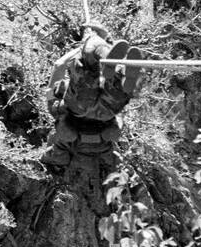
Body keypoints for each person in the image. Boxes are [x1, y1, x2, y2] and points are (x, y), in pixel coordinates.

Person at [41, 24, 143, 169]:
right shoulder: (55, 109)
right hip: (81, 105)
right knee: (89, 54)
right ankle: (109, 59)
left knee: (115, 85)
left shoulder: (104, 149)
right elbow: (59, 65)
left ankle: (119, 72)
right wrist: (82, 47)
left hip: (105, 112)